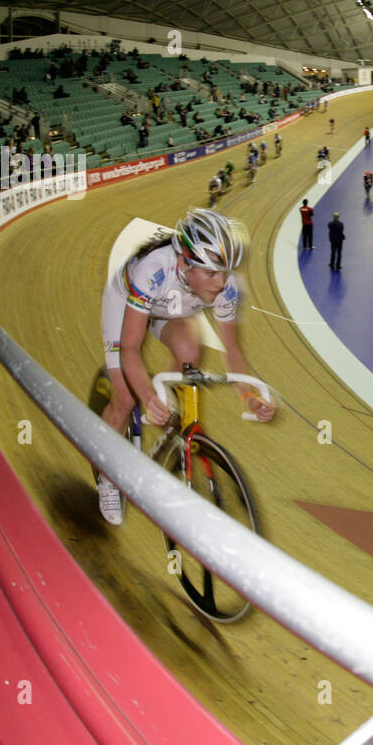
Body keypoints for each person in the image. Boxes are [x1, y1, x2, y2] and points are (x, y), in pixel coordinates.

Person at [96, 210, 275, 524]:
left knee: (191, 351)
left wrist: (247, 396)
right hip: (129, 305)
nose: (221, 283)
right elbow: (130, 347)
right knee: (126, 399)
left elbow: (231, 349)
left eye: (225, 272)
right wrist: (148, 397)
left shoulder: (226, 285)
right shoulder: (153, 270)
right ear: (184, 263)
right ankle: (108, 476)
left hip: (173, 308)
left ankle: (170, 427)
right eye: (211, 273)